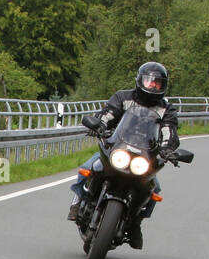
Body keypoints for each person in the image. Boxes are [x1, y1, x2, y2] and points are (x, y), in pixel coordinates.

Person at [67, 62, 180, 249]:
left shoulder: (166, 109)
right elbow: (108, 113)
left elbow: (169, 131)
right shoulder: (123, 97)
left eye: (157, 83)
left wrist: (168, 149)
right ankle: (77, 203)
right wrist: (99, 125)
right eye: (149, 81)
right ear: (140, 80)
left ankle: (136, 223)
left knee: (154, 190)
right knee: (87, 168)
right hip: (117, 147)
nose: (152, 85)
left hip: (145, 155)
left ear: (163, 86)